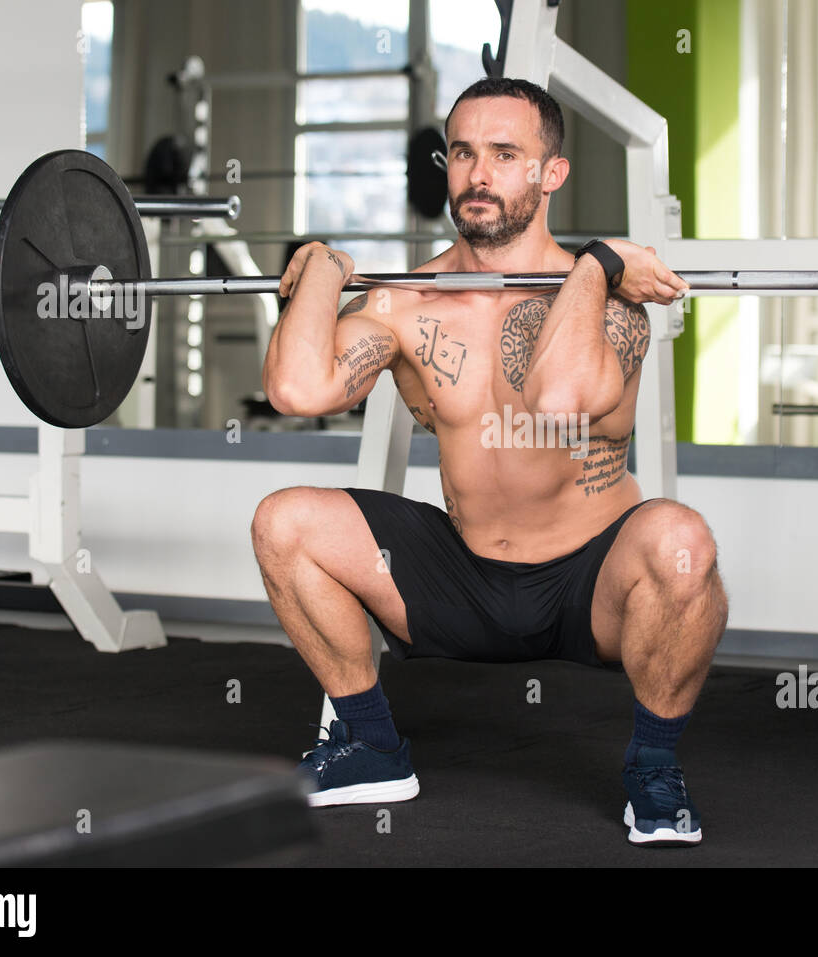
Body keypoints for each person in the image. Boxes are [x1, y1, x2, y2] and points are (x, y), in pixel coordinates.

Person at [252, 77, 728, 846]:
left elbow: (561, 397)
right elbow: (297, 386)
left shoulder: (610, 300)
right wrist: (320, 271)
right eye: (465, 152)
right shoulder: (405, 301)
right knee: (283, 522)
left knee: (684, 543)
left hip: (591, 583)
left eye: (507, 155)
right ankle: (372, 746)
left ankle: (653, 770)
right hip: (463, 576)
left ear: (551, 174)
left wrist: (597, 261)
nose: (479, 174)